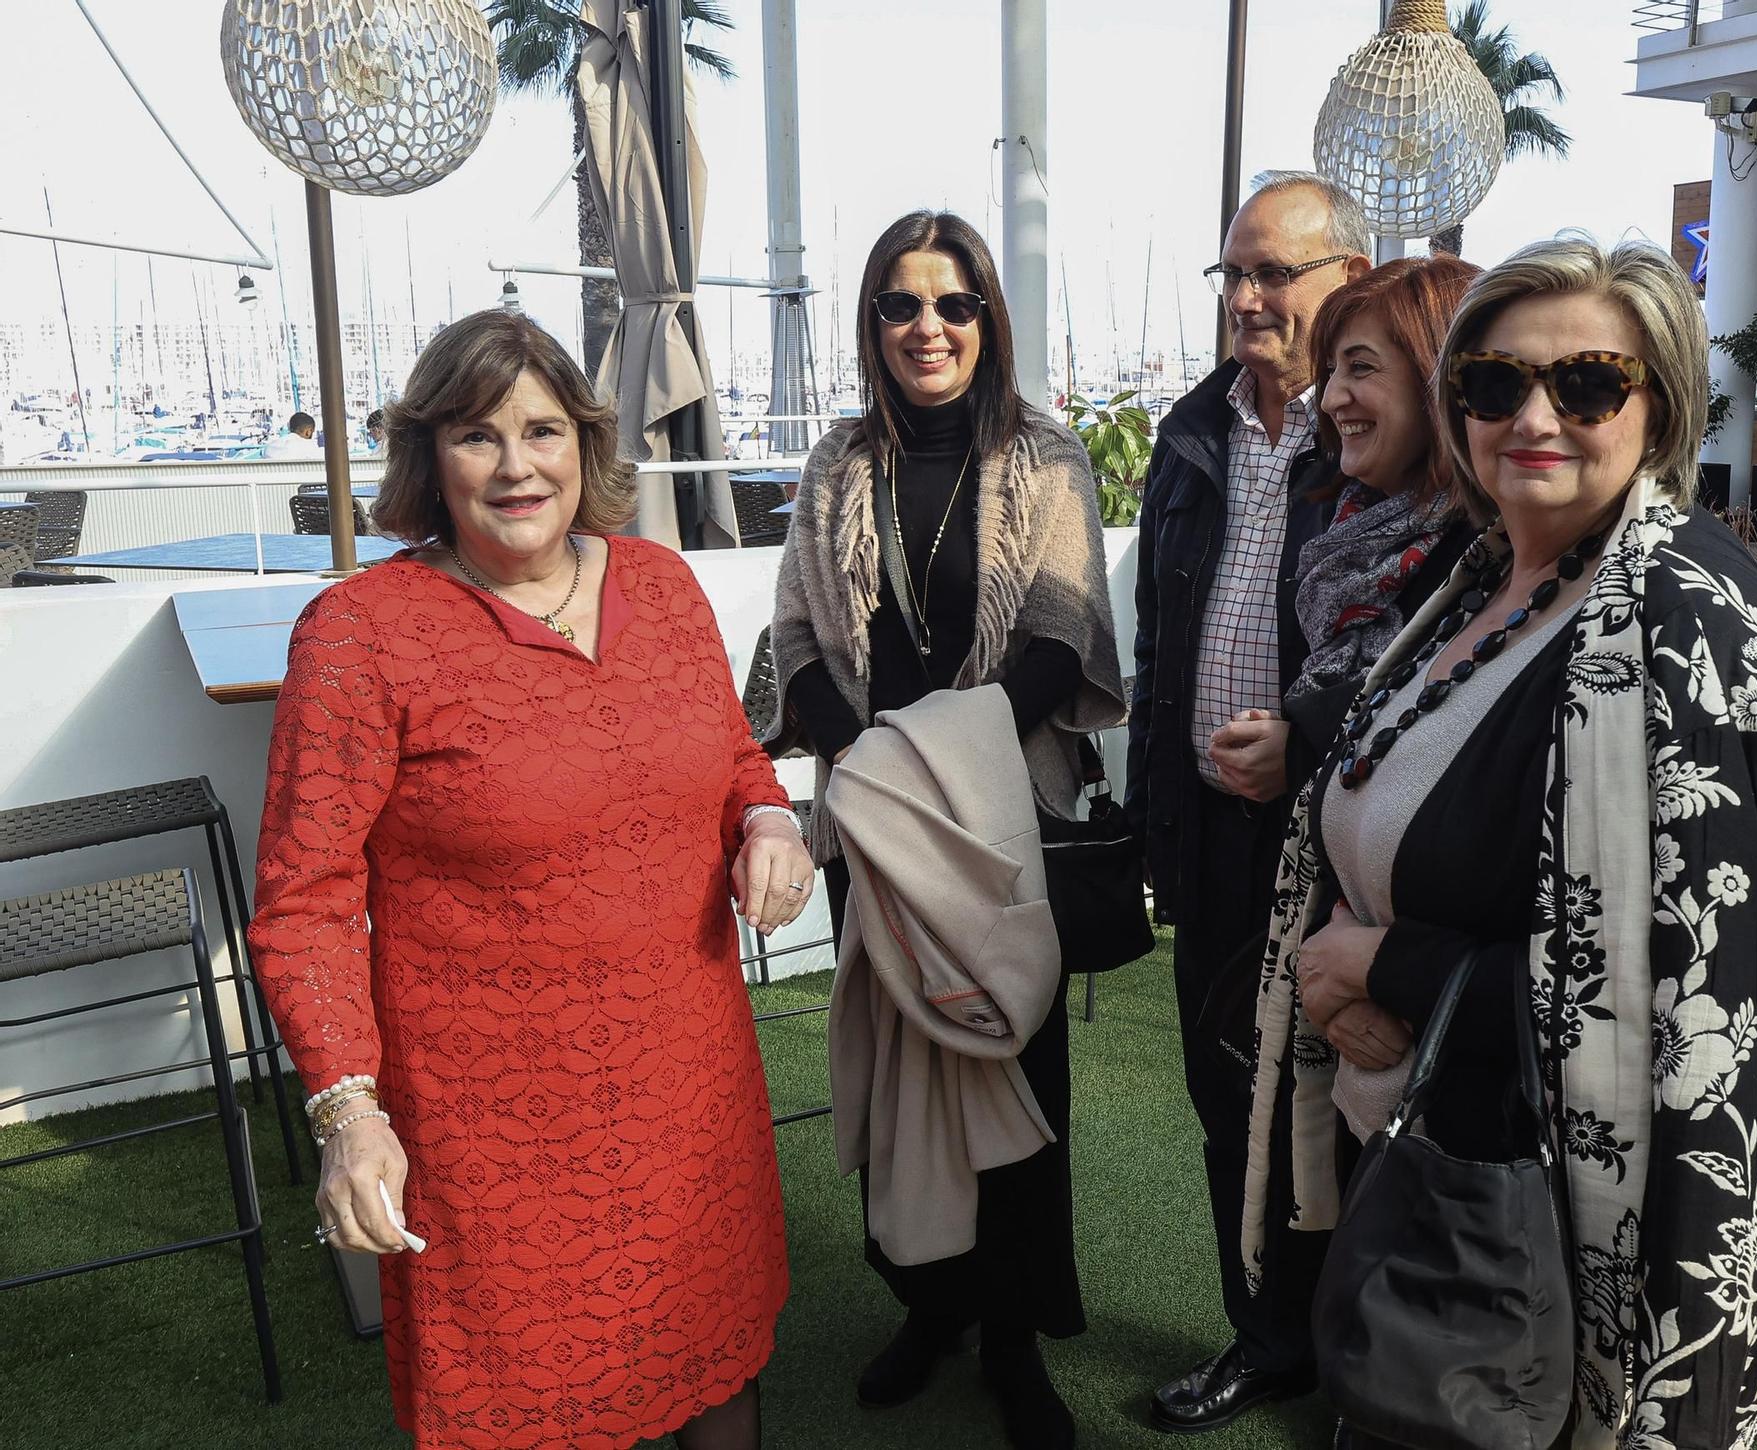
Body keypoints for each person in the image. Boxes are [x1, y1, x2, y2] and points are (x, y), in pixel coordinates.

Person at [1243, 236, 1757, 1448]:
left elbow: (1698, 1011)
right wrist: (1349, 955)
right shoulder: (1477, 582)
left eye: (1584, 384)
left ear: (1658, 407)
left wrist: (1377, 972)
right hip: (1425, 1177)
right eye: (1491, 383)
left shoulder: (1687, 630)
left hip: (1556, 1253)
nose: (1532, 415)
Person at [249, 310, 812, 1450]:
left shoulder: (660, 587)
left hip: (688, 1074)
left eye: (543, 430)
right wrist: (350, 1114)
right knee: (519, 1400)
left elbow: (733, 757)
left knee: (713, 1359)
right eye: (476, 435)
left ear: (586, 444)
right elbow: (305, 901)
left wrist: (766, 817)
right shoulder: (362, 633)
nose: (517, 466)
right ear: (428, 457)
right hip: (488, 1118)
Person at [763, 210, 1123, 1450]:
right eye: (900, 305)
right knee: (890, 1055)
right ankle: (928, 1302)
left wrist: (929, 754)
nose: (927, 326)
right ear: (872, 325)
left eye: (952, 303)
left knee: (1007, 1068)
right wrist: (863, 755)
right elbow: (795, 642)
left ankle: (1013, 1342)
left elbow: (1059, 638)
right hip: (873, 813)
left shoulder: (1048, 461)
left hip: (992, 819)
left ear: (987, 321)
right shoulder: (833, 469)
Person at [1125, 169, 1368, 1434]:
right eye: (1234, 272)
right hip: (1211, 837)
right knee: (1229, 1094)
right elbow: (1157, 645)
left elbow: (1416, 642)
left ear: (1346, 276)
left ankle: (1354, 1358)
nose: (1247, 297)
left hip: (1338, 841)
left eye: (1274, 271)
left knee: (1346, 1098)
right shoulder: (1191, 429)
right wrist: (1151, 826)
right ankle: (1263, 1338)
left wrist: (1308, 737)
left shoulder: (1381, 434)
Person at [1283, 254, 1485, 763]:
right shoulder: (1342, 518)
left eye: (1360, 367)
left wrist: (1299, 751)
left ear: (1437, 378)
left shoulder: (1497, 551)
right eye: (1331, 371)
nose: (1329, 398)